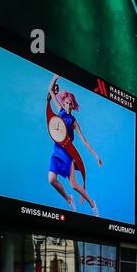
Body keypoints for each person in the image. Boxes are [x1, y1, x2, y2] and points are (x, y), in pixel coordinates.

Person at [46, 75, 102, 215]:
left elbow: (84, 141)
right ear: (63, 103)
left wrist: (96, 156)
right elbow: (50, 90)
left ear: (73, 104)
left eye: (71, 103)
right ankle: (68, 198)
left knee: (74, 185)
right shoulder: (60, 111)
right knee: (52, 180)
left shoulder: (74, 121)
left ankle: (92, 203)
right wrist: (55, 77)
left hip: (67, 152)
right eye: (67, 102)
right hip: (56, 150)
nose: (69, 105)